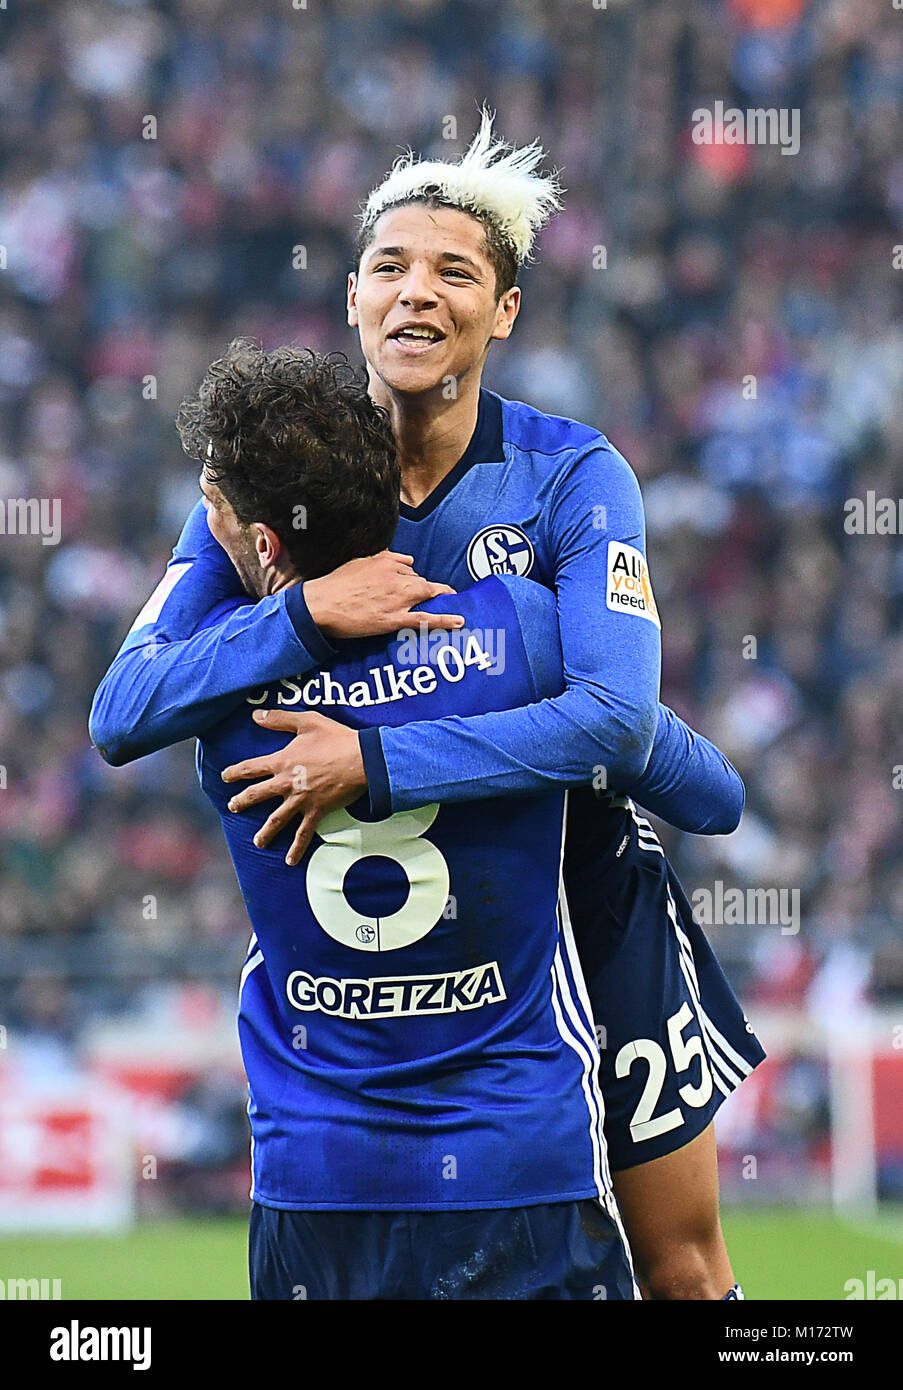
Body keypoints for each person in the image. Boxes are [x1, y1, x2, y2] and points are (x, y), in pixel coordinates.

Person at [92, 112, 765, 1298]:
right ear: (351, 296)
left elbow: (623, 728)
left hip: (586, 876)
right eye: (392, 267)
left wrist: (376, 757)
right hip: (397, 917)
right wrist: (307, 617)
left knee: (686, 1271)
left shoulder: (570, 473)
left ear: (503, 312)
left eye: (456, 271)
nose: (418, 293)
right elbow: (121, 706)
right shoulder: (273, 483)